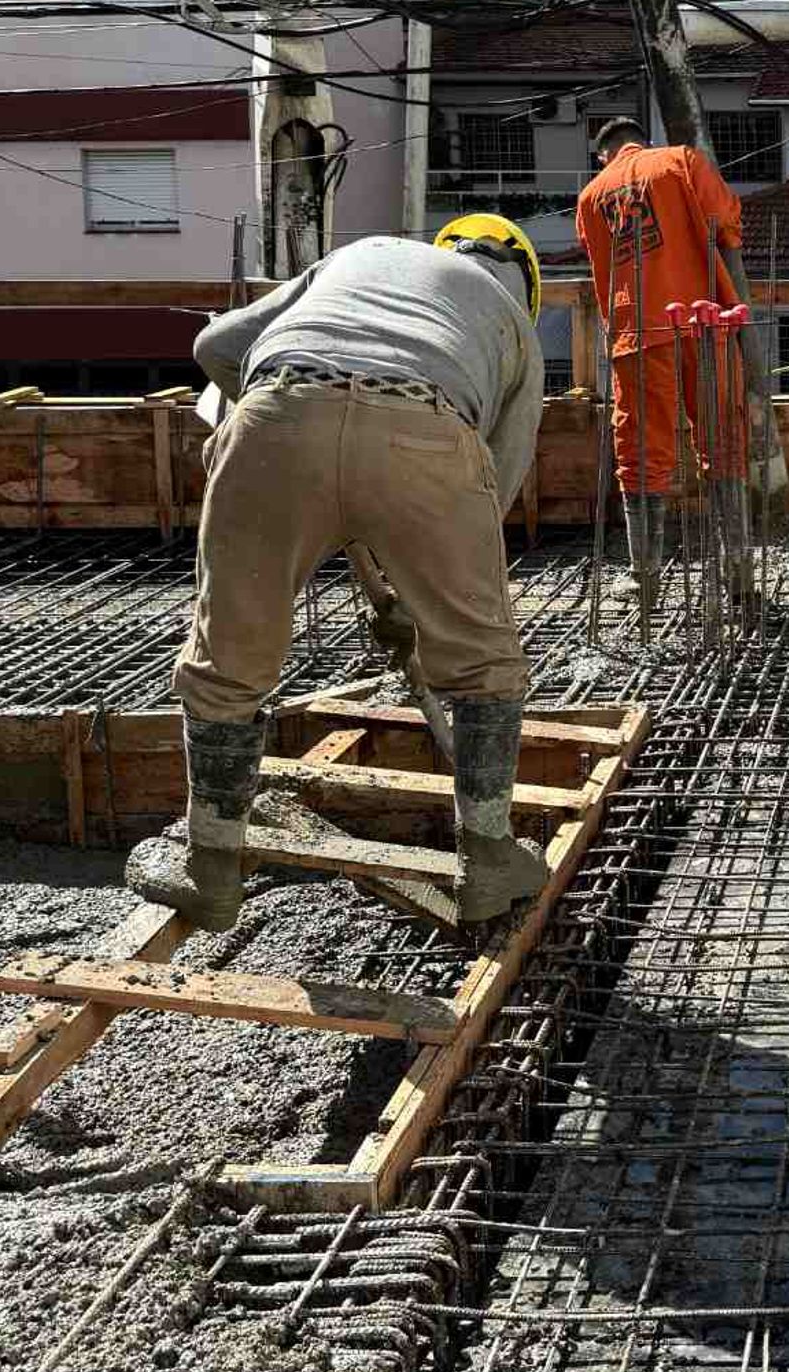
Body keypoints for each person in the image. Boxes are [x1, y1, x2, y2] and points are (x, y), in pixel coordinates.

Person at [130, 219, 548, 934]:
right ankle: (487, 860)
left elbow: (213, 347)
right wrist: (420, 598)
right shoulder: (514, 329)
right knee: (486, 668)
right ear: (525, 289)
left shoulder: (364, 254)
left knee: (229, 659)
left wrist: (295, 439)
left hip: (278, 407)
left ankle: (211, 867)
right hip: (429, 429)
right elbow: (493, 489)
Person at [576, 126, 743, 584]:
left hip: (636, 333)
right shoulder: (680, 161)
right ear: (642, 142)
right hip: (704, 320)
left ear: (603, 156)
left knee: (641, 451)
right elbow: (726, 222)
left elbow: (597, 256)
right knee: (722, 440)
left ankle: (644, 574)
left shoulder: (590, 197)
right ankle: (737, 565)